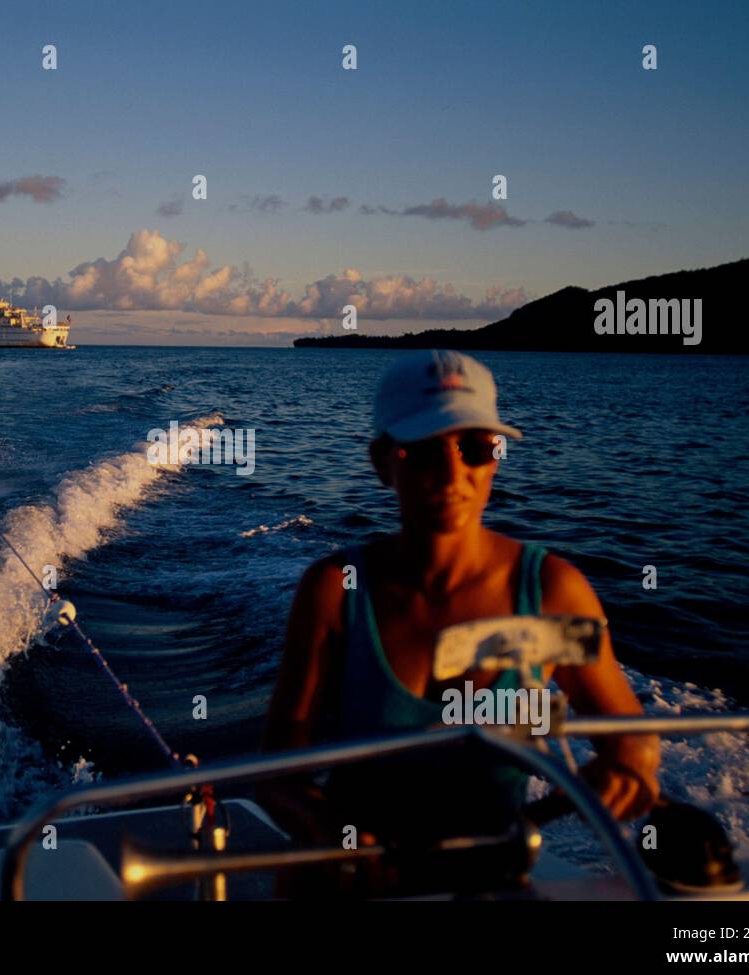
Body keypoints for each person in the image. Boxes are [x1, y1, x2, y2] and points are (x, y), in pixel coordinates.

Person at [261, 350, 659, 889]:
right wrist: (325, 826)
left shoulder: (551, 592)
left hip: (488, 883)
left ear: (496, 457)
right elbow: (280, 769)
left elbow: (631, 739)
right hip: (347, 886)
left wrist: (621, 774)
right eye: (424, 450)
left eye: (476, 447)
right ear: (383, 462)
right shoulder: (334, 591)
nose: (454, 473)